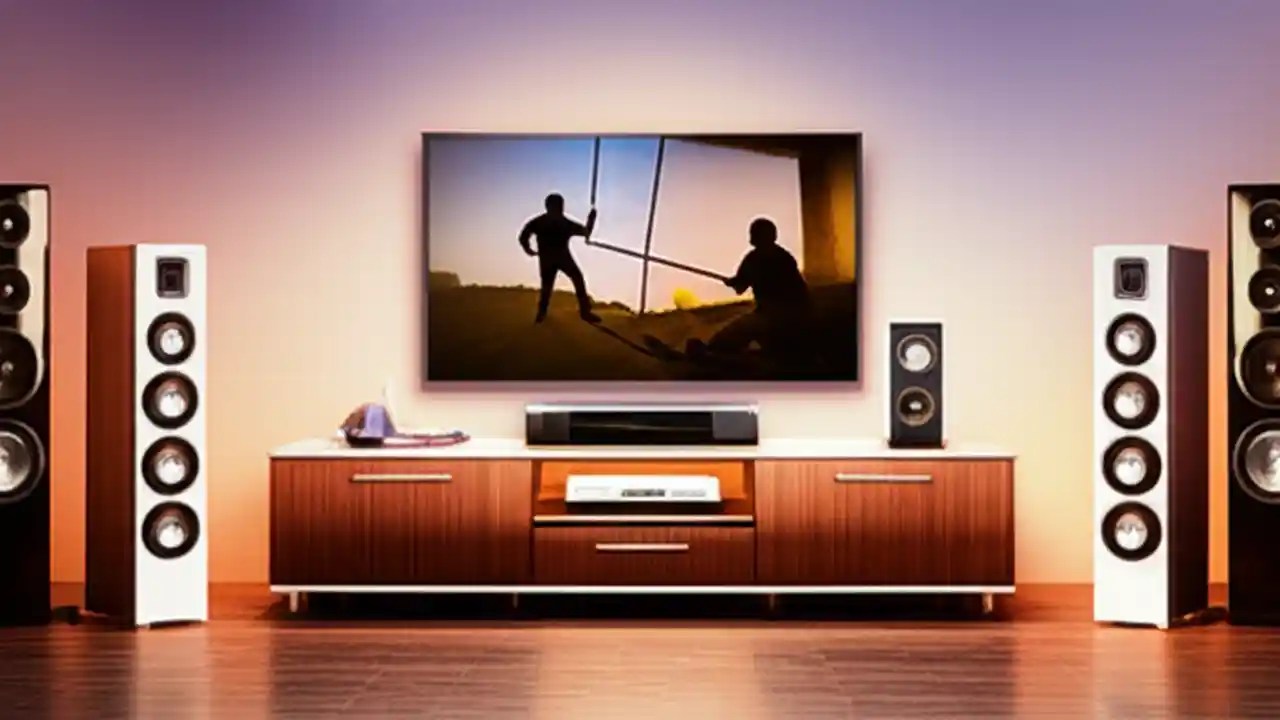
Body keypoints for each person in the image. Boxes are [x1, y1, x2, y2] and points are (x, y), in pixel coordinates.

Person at [697, 217, 814, 360]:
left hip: (771, 317)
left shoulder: (753, 259)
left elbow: (740, 286)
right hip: (792, 317)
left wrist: (733, 282)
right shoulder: (784, 257)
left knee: (734, 334)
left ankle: (712, 353)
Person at [519, 193, 600, 323]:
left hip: (555, 260)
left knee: (572, 280)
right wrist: (528, 249)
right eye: (557, 206)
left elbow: (586, 232)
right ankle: (543, 314)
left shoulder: (553, 222)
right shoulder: (548, 222)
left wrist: (591, 219)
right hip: (556, 260)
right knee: (549, 287)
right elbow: (523, 236)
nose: (559, 209)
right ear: (549, 207)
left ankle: (582, 312)